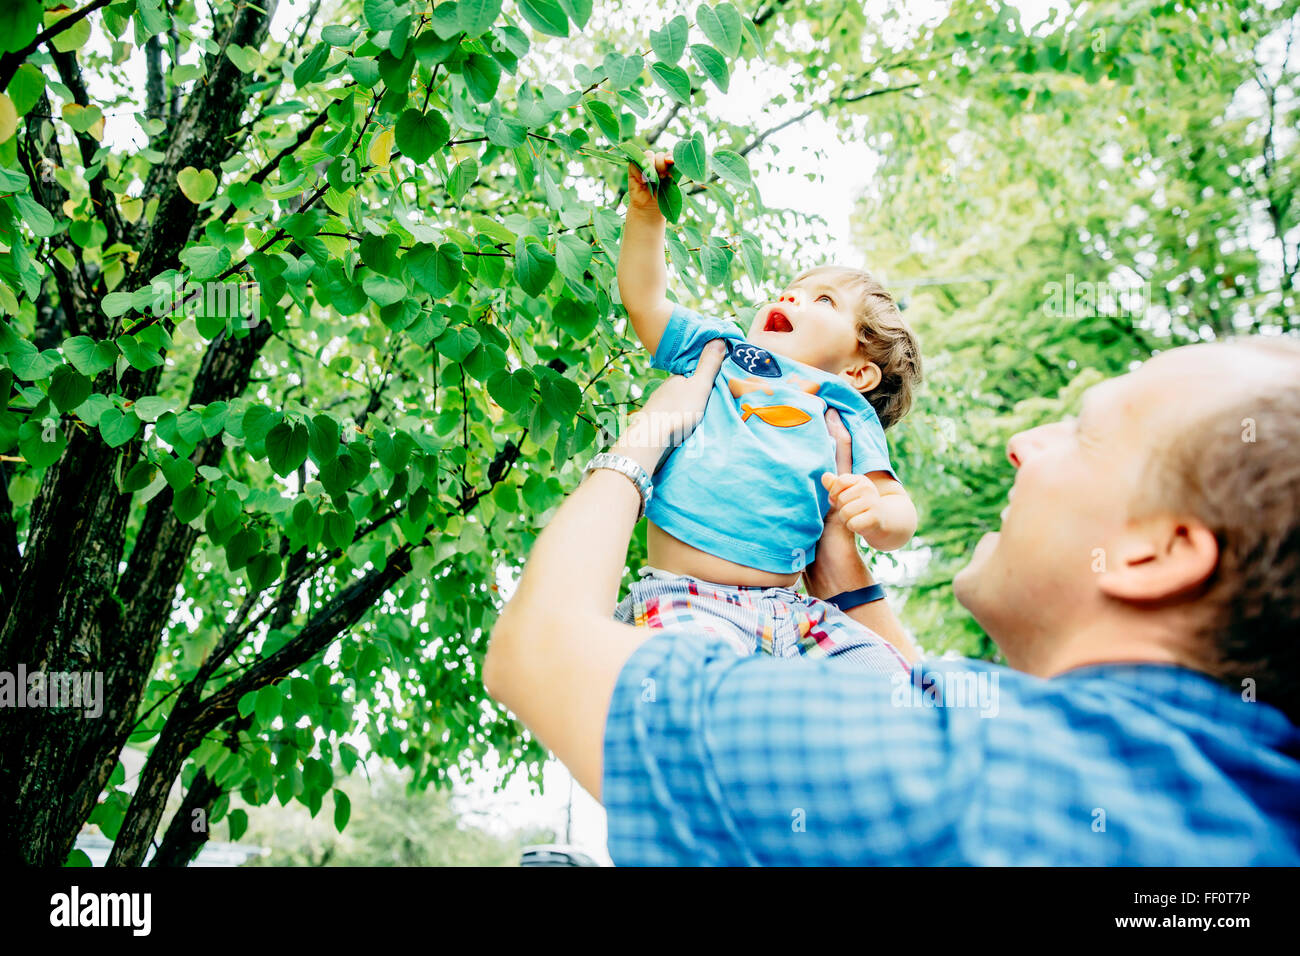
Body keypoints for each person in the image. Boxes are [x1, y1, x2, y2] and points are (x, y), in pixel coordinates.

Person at [484, 336, 1300, 865]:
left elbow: (538, 649)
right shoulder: (1237, 809)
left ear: (1155, 554)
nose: (1024, 444)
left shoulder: (969, 780)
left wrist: (650, 436)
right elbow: (927, 702)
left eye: (1082, 432)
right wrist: (850, 586)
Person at [612, 149, 922, 669]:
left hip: (794, 612)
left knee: (891, 678)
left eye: (824, 301)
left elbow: (899, 511)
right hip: (688, 597)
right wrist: (646, 218)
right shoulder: (721, 352)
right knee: (691, 692)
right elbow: (645, 302)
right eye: (791, 292)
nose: (794, 299)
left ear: (858, 371)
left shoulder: (844, 408)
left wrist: (877, 512)